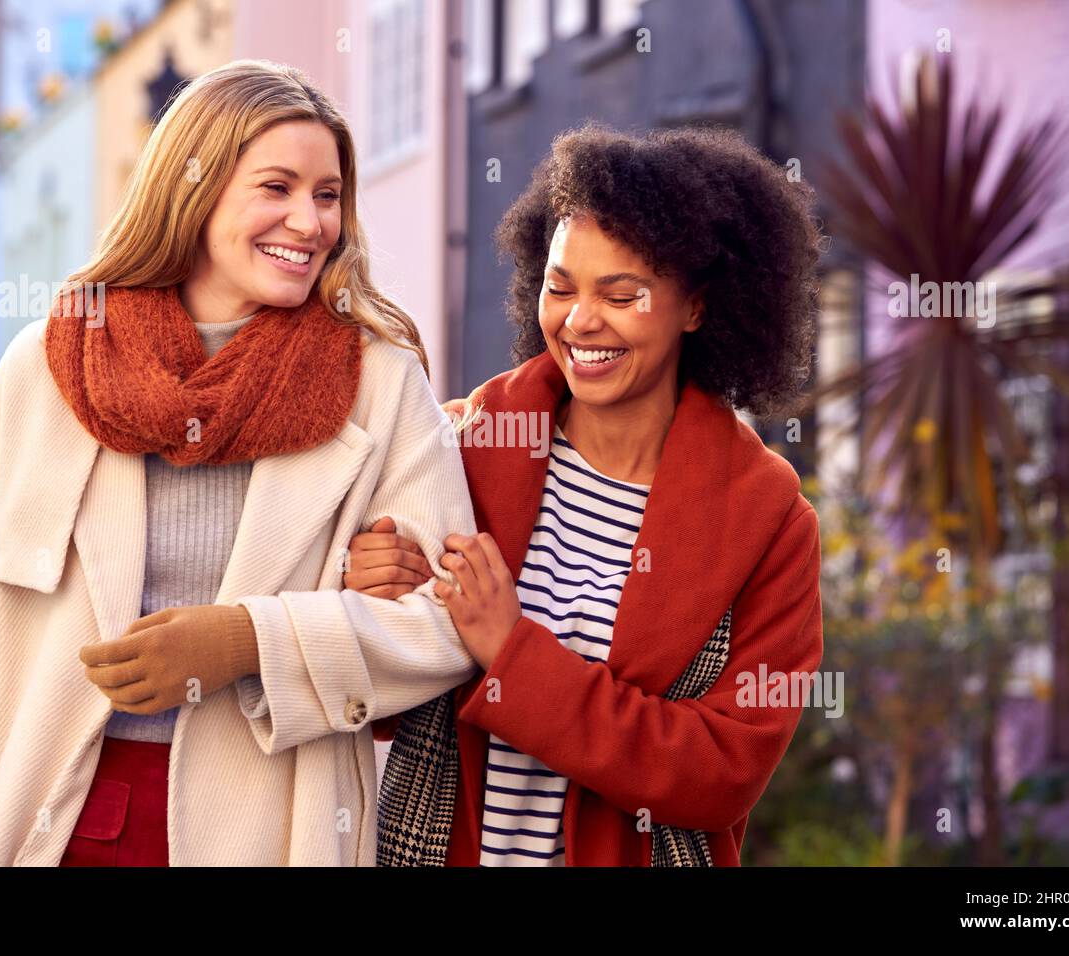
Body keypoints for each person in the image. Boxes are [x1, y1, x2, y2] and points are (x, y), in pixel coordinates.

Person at [0, 60, 476, 867]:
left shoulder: (379, 381)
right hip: (38, 830)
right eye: (276, 187)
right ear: (196, 188)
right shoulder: (46, 369)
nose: (310, 222)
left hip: (271, 833)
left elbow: (450, 625)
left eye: (327, 195)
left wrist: (252, 641)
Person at [348, 124, 825, 866]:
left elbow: (720, 774)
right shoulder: (459, 447)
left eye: (621, 293)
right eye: (560, 286)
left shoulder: (768, 525)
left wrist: (513, 653)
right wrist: (367, 596)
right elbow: (380, 709)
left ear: (695, 306)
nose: (579, 320)